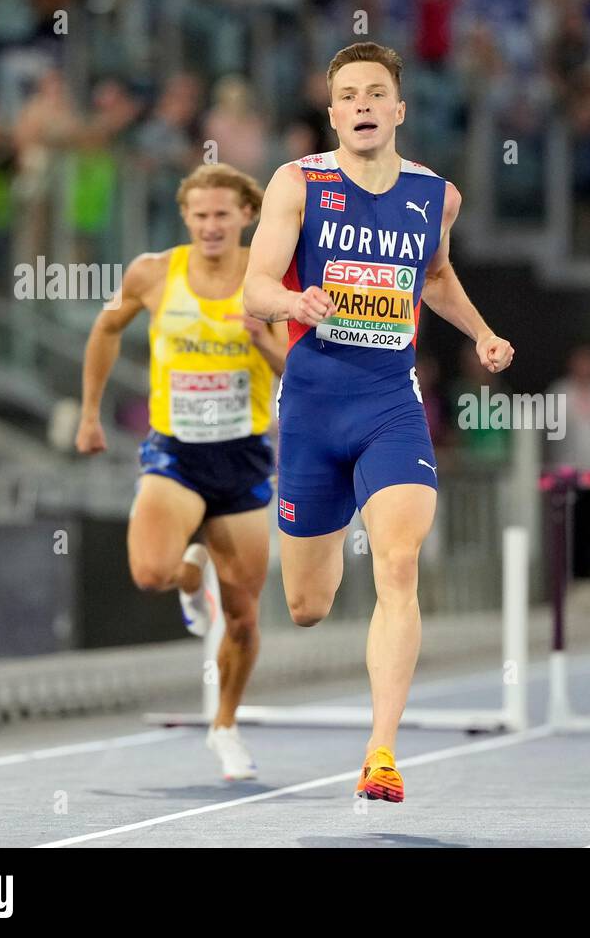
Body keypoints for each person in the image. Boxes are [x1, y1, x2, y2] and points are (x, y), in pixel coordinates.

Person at [243, 41, 513, 803]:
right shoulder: (298, 185)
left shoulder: (437, 198)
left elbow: (433, 277)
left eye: (375, 94)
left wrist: (482, 333)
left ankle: (382, 751)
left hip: (391, 405)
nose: (362, 105)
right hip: (311, 409)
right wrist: (291, 302)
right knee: (306, 604)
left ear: (399, 109)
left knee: (398, 564)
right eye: (348, 96)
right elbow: (254, 285)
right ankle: (310, 567)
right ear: (333, 114)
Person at [76, 164, 288, 781]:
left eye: (222, 215)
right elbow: (105, 329)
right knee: (149, 573)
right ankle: (190, 578)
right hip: (176, 452)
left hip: (244, 455)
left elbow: (294, 369)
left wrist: (263, 342)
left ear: (246, 215)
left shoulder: (266, 278)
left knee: (245, 616)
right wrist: (90, 414)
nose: (210, 226)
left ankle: (225, 726)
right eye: (199, 216)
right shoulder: (151, 272)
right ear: (186, 218)